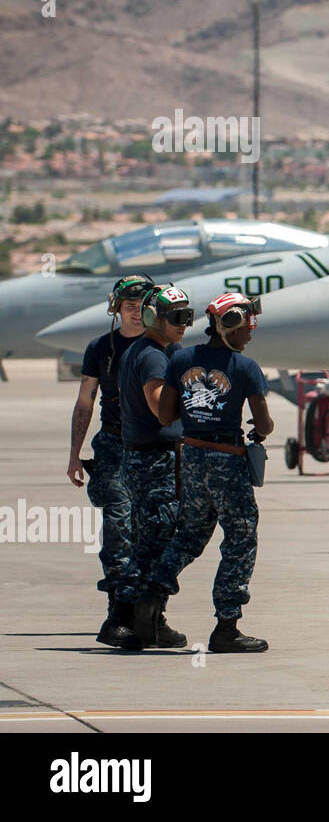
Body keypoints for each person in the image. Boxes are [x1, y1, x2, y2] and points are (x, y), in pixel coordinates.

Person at [134, 292, 276, 651]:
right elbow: (265, 423)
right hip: (228, 461)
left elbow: (166, 416)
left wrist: (199, 413)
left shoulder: (181, 359)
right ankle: (226, 627)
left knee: (190, 535)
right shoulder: (246, 368)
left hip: (193, 458)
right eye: (247, 328)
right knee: (240, 541)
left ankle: (150, 595)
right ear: (230, 326)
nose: (250, 335)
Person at [66, 274, 152, 648]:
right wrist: (74, 454)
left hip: (154, 449)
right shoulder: (101, 348)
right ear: (116, 309)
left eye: (141, 306)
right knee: (119, 525)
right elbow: (86, 400)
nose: (135, 312)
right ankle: (116, 614)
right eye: (128, 306)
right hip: (115, 446)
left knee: (155, 527)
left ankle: (151, 615)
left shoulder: (163, 348)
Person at [115, 284, 192, 648]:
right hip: (153, 460)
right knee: (154, 540)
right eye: (177, 318)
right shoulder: (152, 357)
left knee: (154, 541)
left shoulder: (147, 351)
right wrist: (196, 399)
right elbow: (161, 408)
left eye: (187, 317)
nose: (184, 325)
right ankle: (122, 618)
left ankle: (151, 621)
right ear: (155, 319)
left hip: (149, 457)